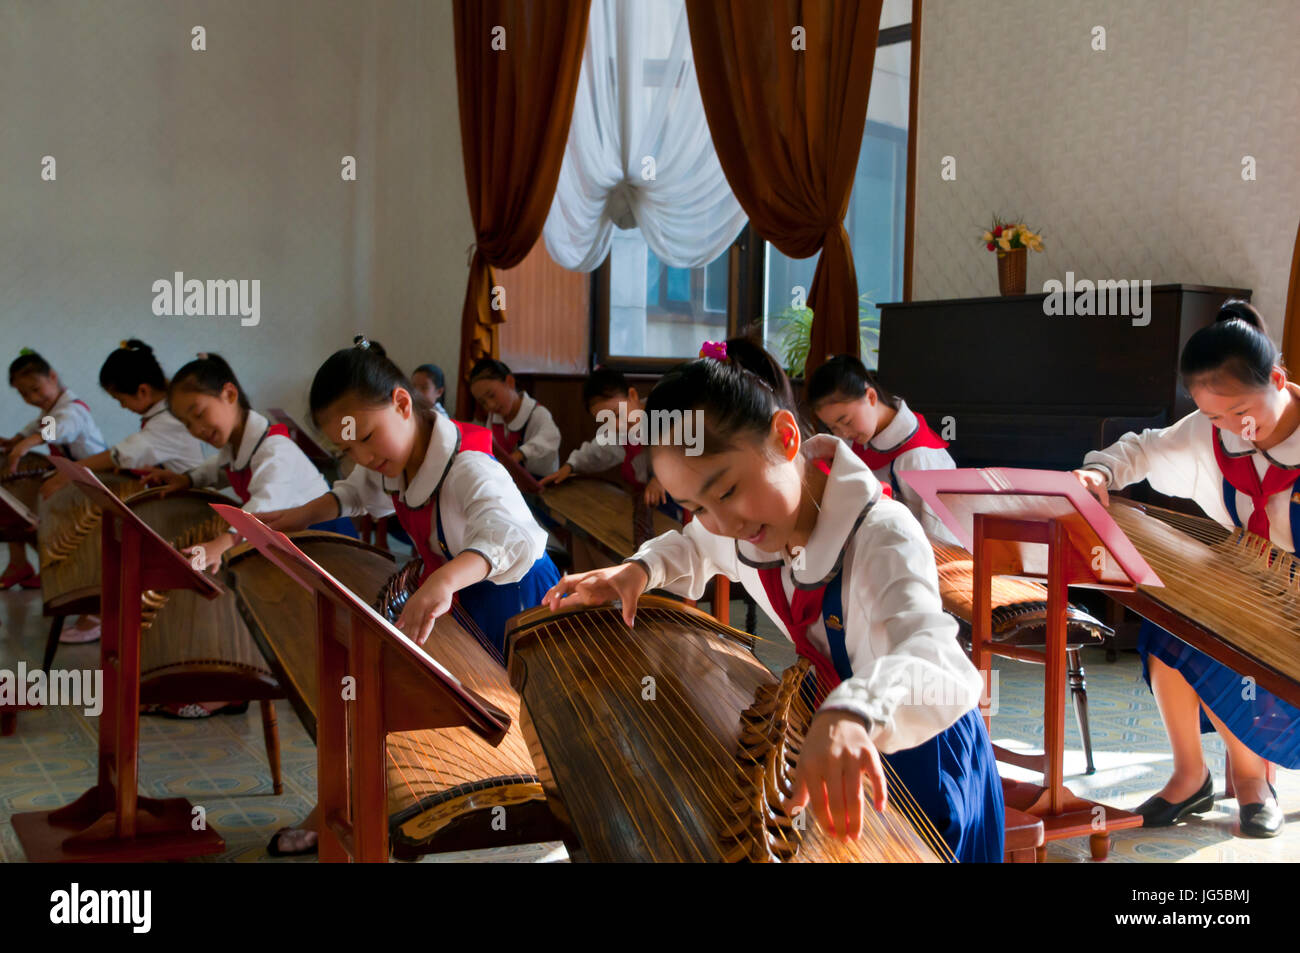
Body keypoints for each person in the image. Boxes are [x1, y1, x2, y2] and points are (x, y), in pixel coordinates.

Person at [543, 355, 1005, 861]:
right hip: (837, 729)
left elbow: (933, 658)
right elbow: (695, 545)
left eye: (726, 491)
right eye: (698, 506)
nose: (723, 522)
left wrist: (855, 711)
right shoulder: (756, 529)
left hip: (924, 745)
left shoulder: (880, 533)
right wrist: (638, 570)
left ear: (786, 438)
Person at [257, 336, 561, 856]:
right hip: (463, 600)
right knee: (376, 690)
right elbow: (357, 491)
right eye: (348, 449)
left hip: (518, 604)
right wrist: (299, 516)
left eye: (368, 439)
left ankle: (549, 823)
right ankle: (350, 804)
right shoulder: (397, 459)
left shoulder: (468, 465)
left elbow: (517, 536)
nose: (364, 458)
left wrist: (442, 579)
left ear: (402, 403)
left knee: (531, 728)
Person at [1073, 299, 1296, 838]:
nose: (1233, 426)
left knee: (1231, 638)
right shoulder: (1211, 432)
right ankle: (1190, 774)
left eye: (1242, 409)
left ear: (1279, 379)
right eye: (1215, 415)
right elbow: (1140, 450)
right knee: (1172, 624)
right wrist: (1098, 473)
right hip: (1248, 587)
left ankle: (1250, 780)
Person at [807, 354, 958, 545]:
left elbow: (943, 540)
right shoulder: (856, 438)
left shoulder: (920, 455)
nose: (843, 433)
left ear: (870, 396)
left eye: (845, 421)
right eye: (833, 428)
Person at [1, 349, 107, 598]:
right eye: (24, 394)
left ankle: (53, 568)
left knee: (24, 506)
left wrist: (27, 443)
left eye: (35, 389)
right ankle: (26, 563)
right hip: (73, 477)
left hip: (96, 478)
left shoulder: (72, 410)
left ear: (52, 376)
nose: (32, 397)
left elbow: (60, 428)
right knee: (16, 506)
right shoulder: (50, 411)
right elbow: (38, 425)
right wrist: (15, 440)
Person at [468, 358, 561, 478]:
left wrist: (519, 454)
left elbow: (550, 438)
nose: (490, 405)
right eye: (483, 403)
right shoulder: (493, 418)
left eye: (492, 395)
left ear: (510, 382)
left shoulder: (537, 413)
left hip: (542, 483)